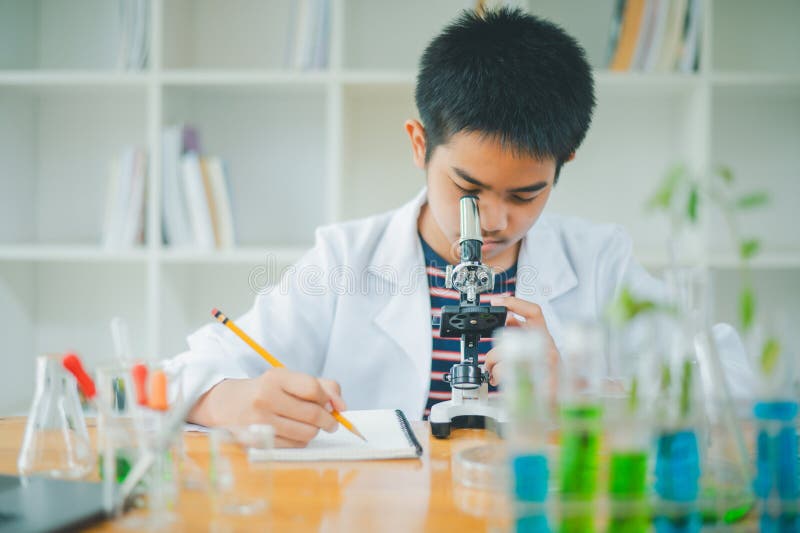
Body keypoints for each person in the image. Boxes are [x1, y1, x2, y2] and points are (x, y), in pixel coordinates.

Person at [169, 8, 749, 448]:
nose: (494, 223)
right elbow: (176, 375)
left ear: (563, 163)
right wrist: (230, 400)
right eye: (468, 191)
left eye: (525, 195)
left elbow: (736, 382)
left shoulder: (599, 260)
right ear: (420, 145)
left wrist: (579, 392)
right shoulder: (344, 259)